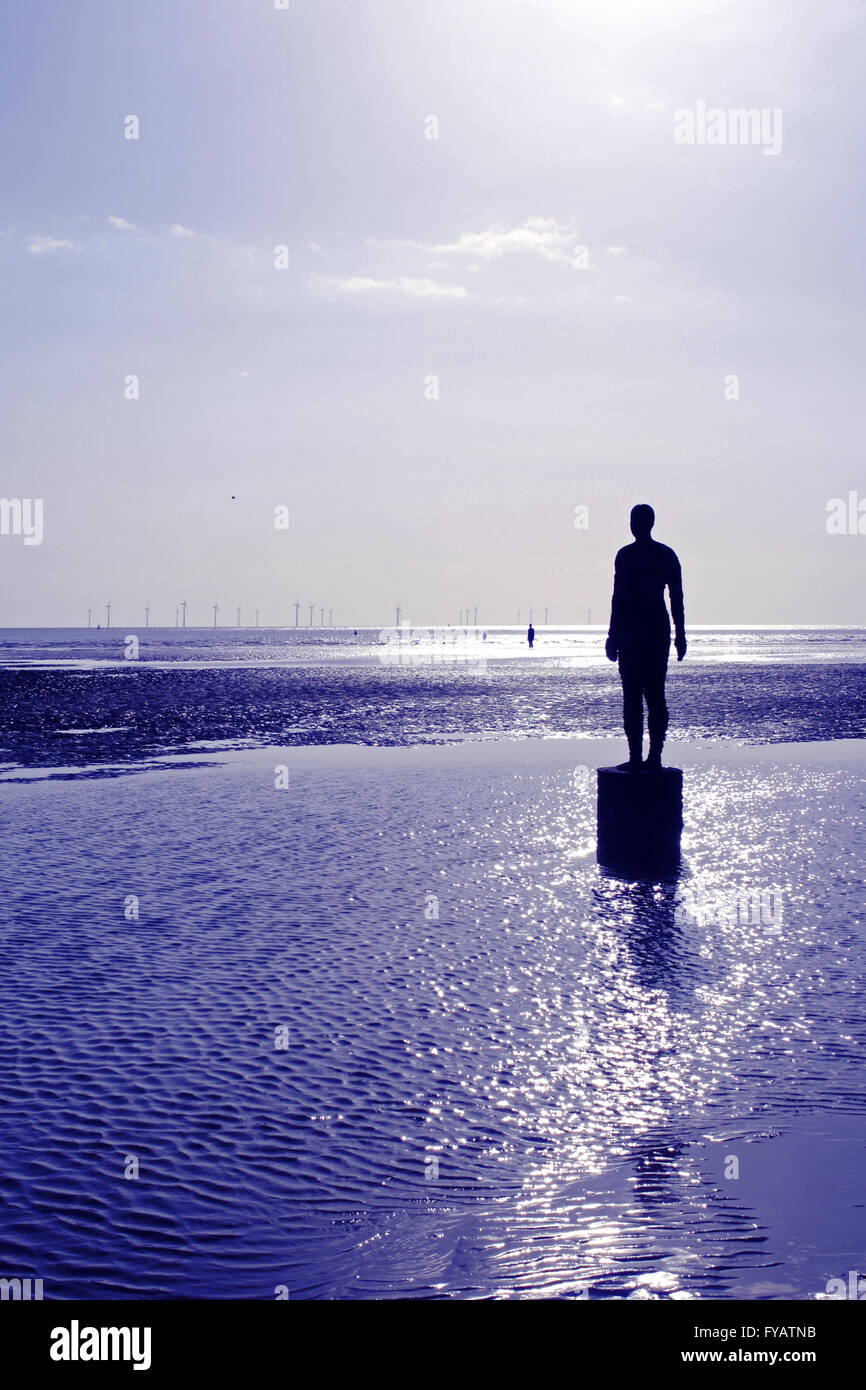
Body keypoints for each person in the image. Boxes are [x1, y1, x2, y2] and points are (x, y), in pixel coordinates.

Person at [605, 504, 686, 771]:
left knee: (646, 696)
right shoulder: (659, 555)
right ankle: (642, 757)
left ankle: (651, 757)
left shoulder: (632, 556)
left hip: (643, 631)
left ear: (642, 524)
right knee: (645, 696)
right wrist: (612, 635)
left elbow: (676, 598)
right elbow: (619, 597)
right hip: (642, 631)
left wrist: (681, 634)